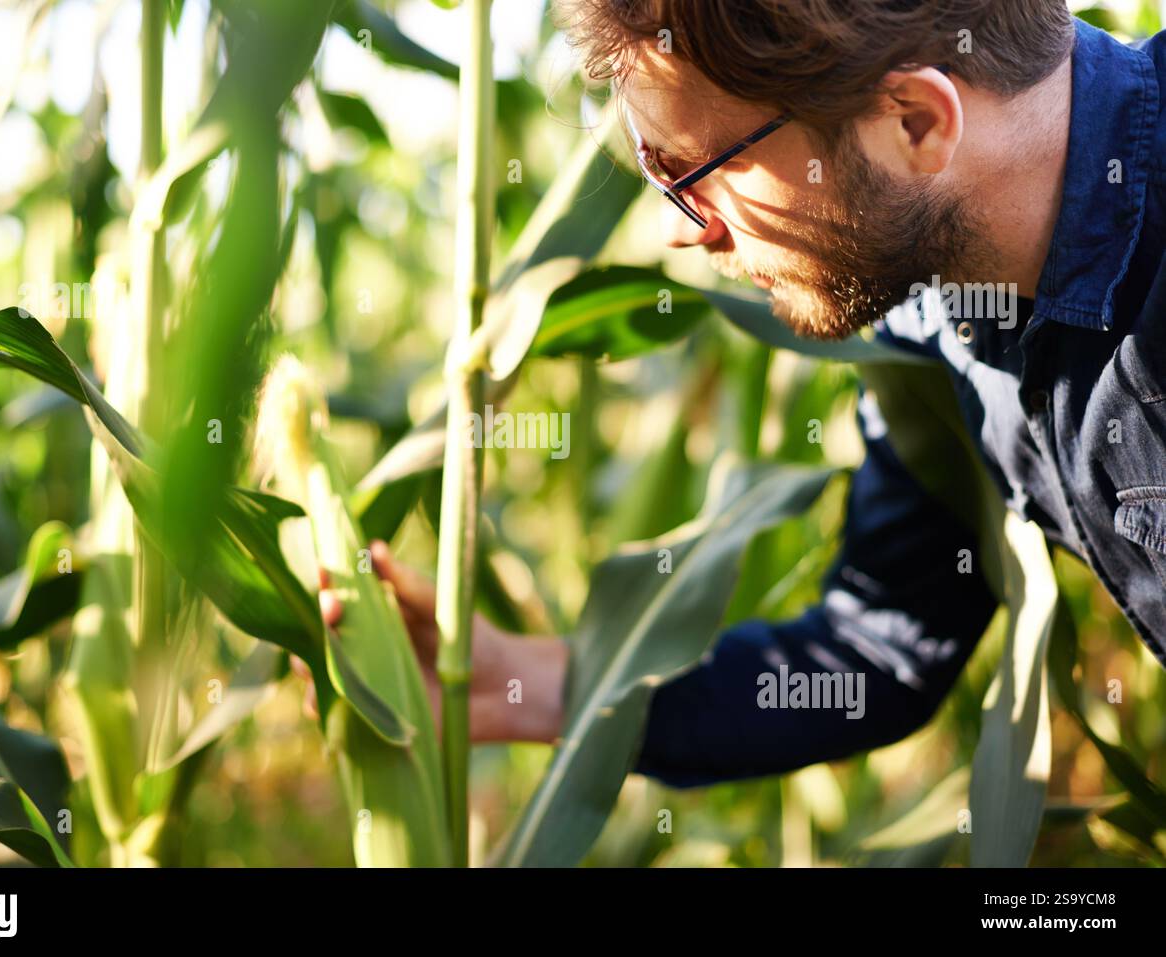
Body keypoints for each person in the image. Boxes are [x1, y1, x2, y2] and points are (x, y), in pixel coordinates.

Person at [307, 1, 1166, 788]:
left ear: (915, 121)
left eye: (696, 171)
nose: (687, 230)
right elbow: (875, 649)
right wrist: (521, 683)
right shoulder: (931, 338)